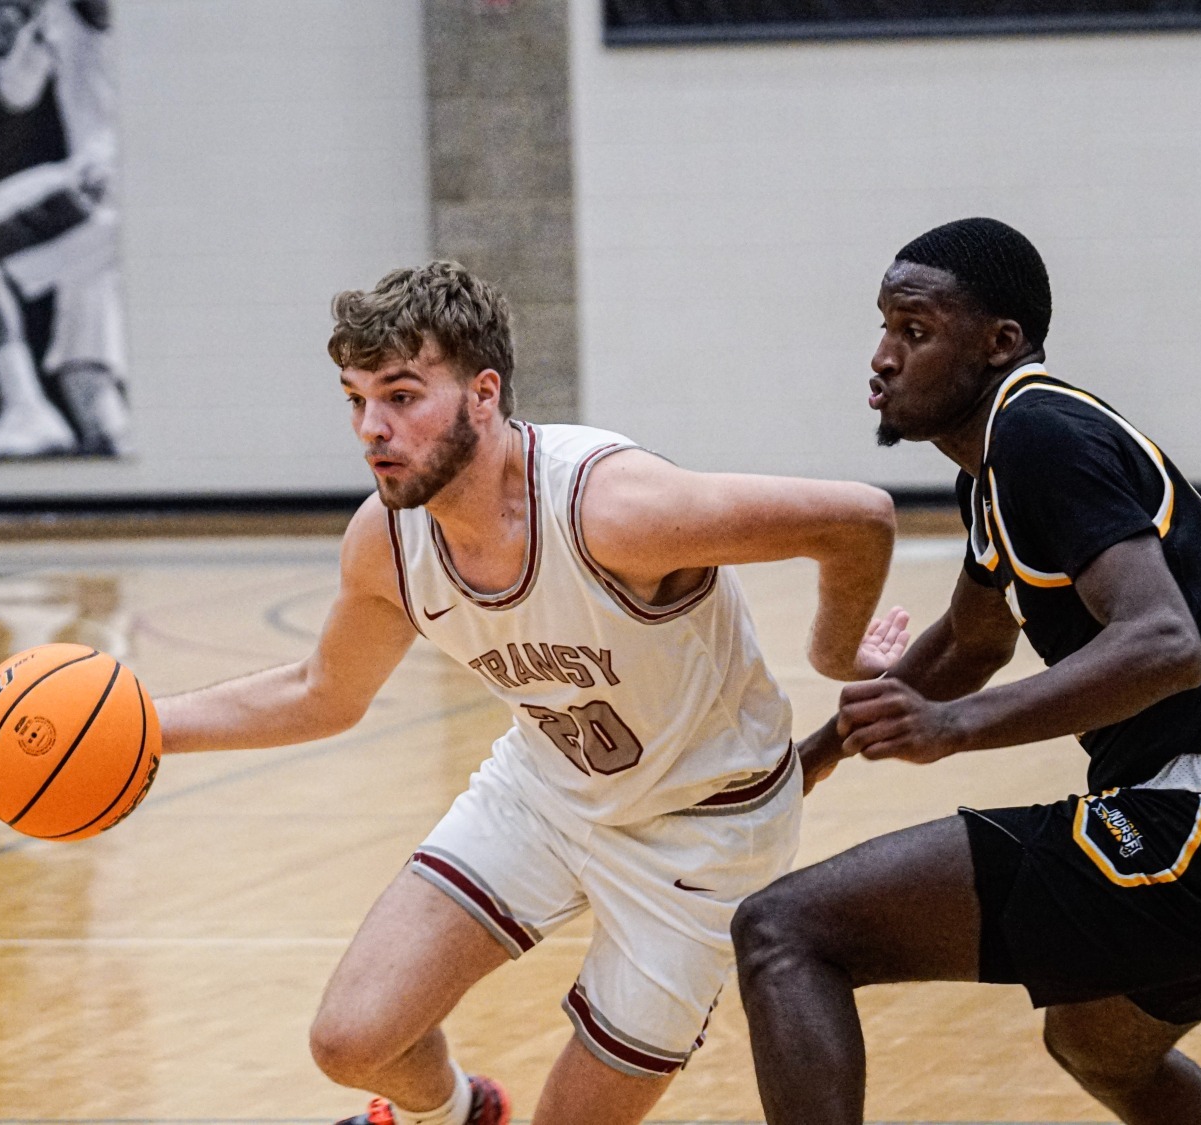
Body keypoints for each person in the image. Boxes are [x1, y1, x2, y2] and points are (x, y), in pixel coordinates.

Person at [155, 262, 903, 1125]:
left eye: (401, 395)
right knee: (351, 1041)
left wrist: (838, 654)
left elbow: (859, 517)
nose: (372, 427)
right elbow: (322, 690)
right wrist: (138, 729)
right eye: (356, 399)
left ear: (483, 393)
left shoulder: (611, 507)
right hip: (547, 793)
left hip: (708, 835)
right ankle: (457, 1113)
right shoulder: (387, 540)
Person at [730, 218, 1201, 1125]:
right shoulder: (994, 468)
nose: (882, 357)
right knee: (1097, 1043)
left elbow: (1164, 646)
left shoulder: (1038, 435)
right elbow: (971, 643)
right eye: (883, 327)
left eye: (915, 330)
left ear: (999, 343)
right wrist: (816, 755)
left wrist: (956, 729)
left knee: (784, 930)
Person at [0, 0, 129, 459]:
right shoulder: (50, 17)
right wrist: (20, 34)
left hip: (105, 179)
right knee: (86, 379)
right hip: (115, 202)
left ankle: (25, 408)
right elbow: (18, 93)